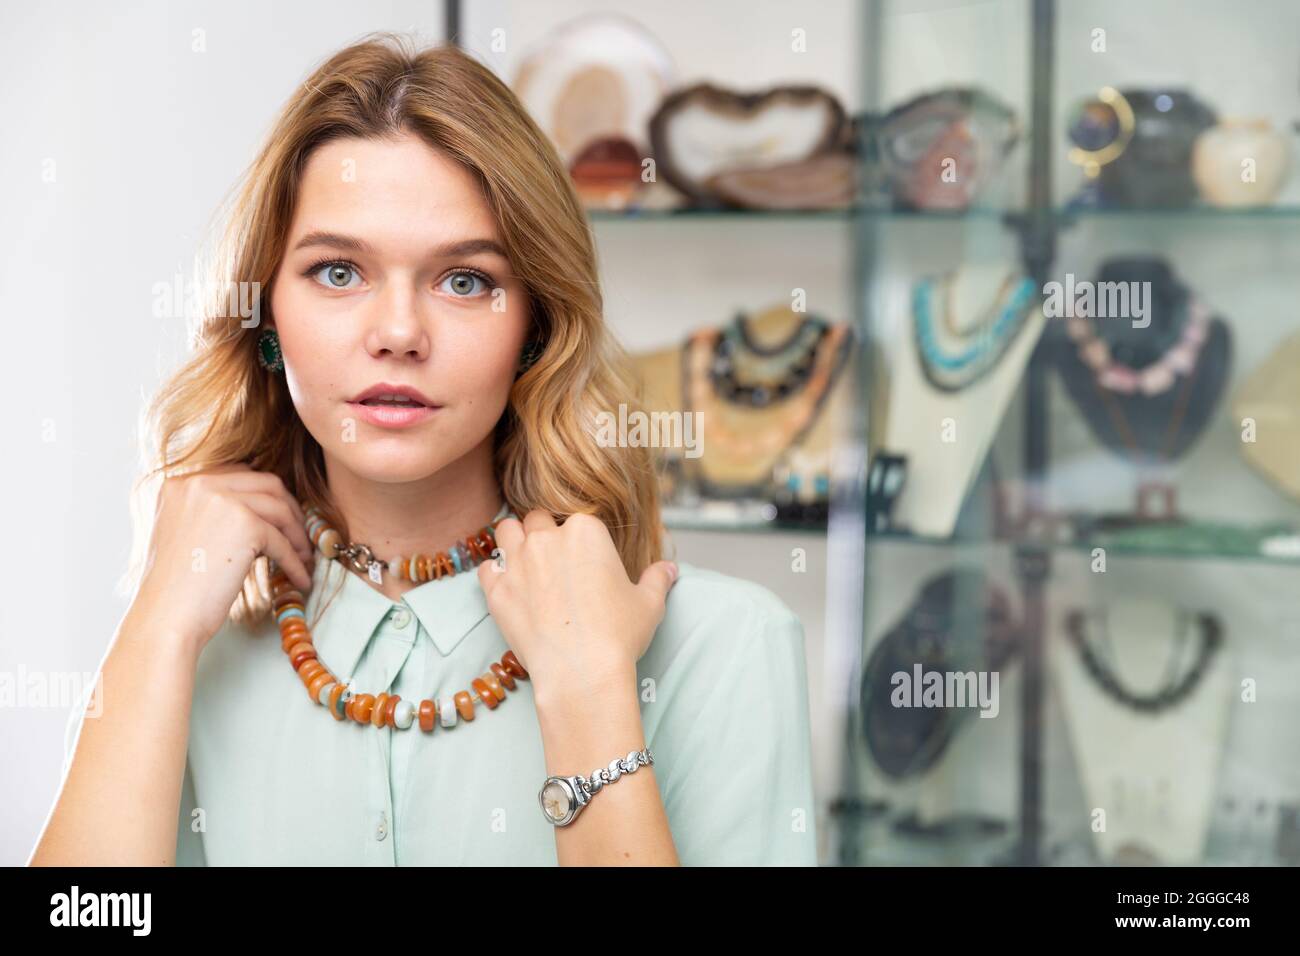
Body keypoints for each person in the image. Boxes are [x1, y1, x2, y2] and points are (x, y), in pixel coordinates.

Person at [28, 32, 817, 866]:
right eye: (338, 272)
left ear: (534, 328)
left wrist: (588, 694)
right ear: (266, 318)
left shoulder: (723, 649)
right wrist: (154, 632)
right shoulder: (194, 647)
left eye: (465, 280)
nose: (399, 333)